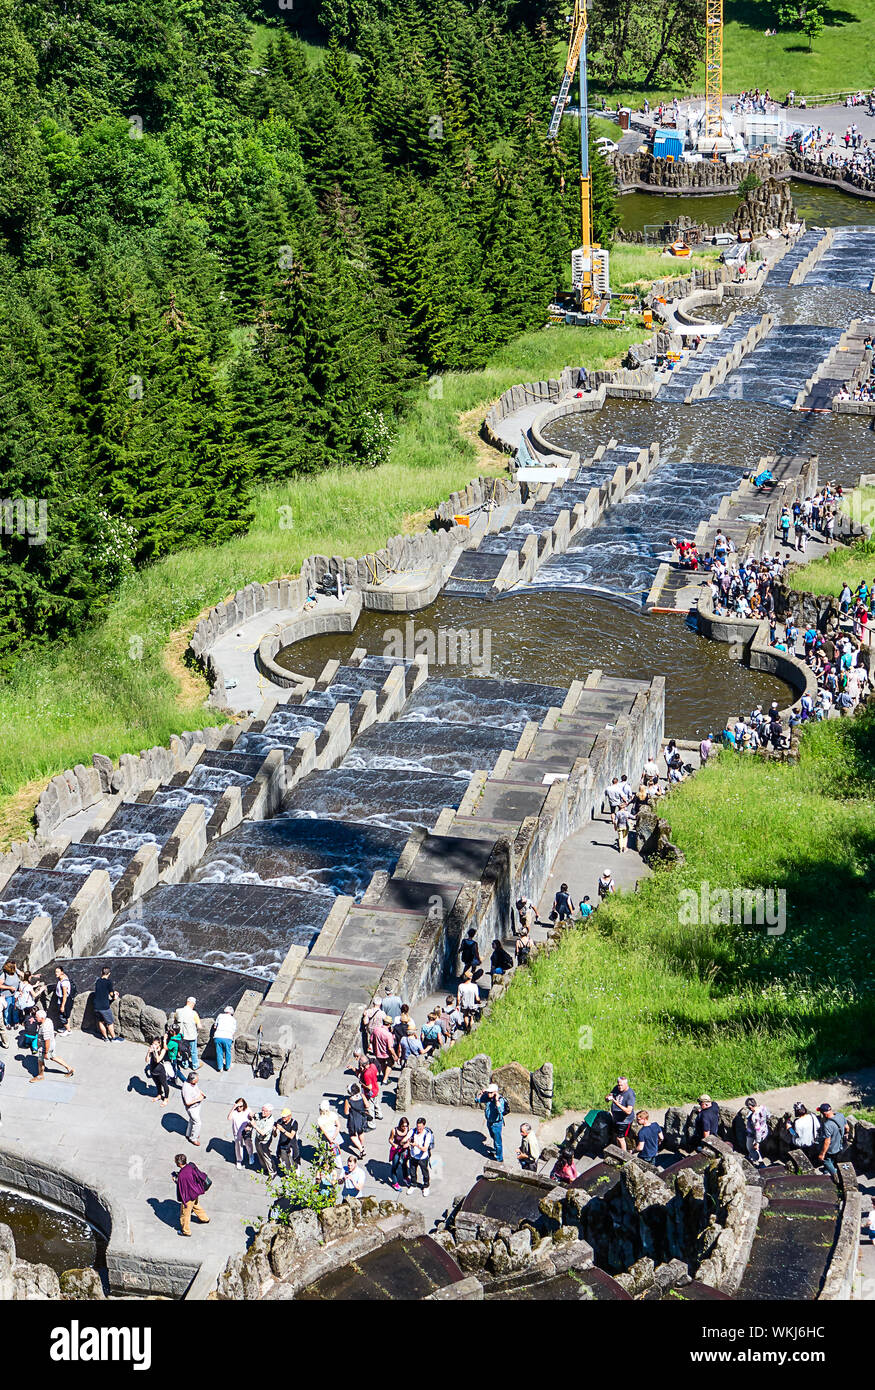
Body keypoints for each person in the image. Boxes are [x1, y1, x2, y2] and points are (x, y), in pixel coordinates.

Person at [30, 1009, 74, 1083]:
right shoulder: (48, 1020)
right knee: (53, 1057)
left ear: (42, 1018)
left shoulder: (45, 1028)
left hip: (45, 1047)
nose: (35, 1018)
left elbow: (47, 1041)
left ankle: (40, 1076)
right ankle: (69, 1069)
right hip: (52, 1043)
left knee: (40, 1060)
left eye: (37, 1017)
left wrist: (46, 1053)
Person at [174, 1153, 210, 1237]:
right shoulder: (190, 1166)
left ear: (179, 1163)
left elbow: (182, 1188)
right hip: (195, 1192)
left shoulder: (182, 1175)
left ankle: (186, 1231)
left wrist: (176, 1180)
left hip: (188, 1197)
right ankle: (205, 1219)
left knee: (185, 1214)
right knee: (196, 1205)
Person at [816, 1103, 847, 1180]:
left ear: (824, 1113)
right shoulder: (840, 1115)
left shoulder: (827, 1125)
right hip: (839, 1144)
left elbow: (827, 1141)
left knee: (826, 1160)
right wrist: (845, 1134)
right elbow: (847, 1127)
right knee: (832, 1158)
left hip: (831, 1148)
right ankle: (826, 1170)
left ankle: (836, 1176)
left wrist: (822, 1154)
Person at [479, 1082, 508, 1162]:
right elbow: (477, 1100)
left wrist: (497, 1101)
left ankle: (499, 1158)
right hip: (489, 1121)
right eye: (488, 1092)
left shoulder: (500, 1100)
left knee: (498, 1141)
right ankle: (496, 1151)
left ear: (495, 1092)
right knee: (493, 1138)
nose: (489, 1094)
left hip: (496, 1124)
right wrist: (481, 1093)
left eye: (491, 1092)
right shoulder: (488, 1097)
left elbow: (500, 1111)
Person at [606, 1075, 636, 1151]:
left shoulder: (630, 1094)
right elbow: (610, 1095)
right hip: (616, 1118)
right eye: (618, 1084)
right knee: (616, 1136)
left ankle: (623, 1154)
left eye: (621, 1085)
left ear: (626, 1084)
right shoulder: (616, 1088)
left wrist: (616, 1103)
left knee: (620, 1138)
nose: (619, 1087)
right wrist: (607, 1098)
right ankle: (619, 1150)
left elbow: (628, 1111)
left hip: (624, 1120)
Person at [92, 966, 121, 1041]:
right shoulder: (108, 982)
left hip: (96, 1006)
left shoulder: (98, 981)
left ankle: (105, 1037)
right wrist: (115, 996)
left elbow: (102, 990)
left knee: (101, 1022)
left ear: (101, 973)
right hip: (104, 1006)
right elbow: (111, 994)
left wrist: (112, 992)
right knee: (110, 1022)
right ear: (109, 974)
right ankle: (114, 1038)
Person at [409, 1116, 434, 1194]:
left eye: (420, 1127)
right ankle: (413, 1184)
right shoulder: (413, 1131)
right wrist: (406, 1141)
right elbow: (406, 1138)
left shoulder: (427, 1134)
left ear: (424, 1126)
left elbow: (425, 1149)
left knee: (424, 1172)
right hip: (413, 1156)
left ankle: (426, 1186)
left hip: (422, 1157)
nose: (418, 1128)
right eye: (417, 1126)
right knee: (412, 1172)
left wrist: (416, 1145)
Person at [344, 1083, 369, 1159]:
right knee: (360, 1132)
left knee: (352, 1135)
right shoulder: (362, 1096)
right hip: (361, 1118)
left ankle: (361, 1150)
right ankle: (361, 1144)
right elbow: (367, 1105)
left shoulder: (348, 1100)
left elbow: (346, 1112)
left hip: (353, 1120)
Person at [250, 1103, 277, 1175]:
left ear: (269, 1112)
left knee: (266, 1156)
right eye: (262, 1110)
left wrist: (254, 1126)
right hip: (258, 1139)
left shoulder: (270, 1121)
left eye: (265, 1111)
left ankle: (272, 1172)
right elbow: (255, 1115)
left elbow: (263, 1133)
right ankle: (265, 1168)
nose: (262, 1112)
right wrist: (251, 1115)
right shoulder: (260, 1115)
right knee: (259, 1154)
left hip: (264, 1141)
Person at [228, 1098, 255, 1169]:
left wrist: (251, 1119)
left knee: (248, 1144)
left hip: (246, 1131)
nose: (239, 1108)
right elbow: (229, 1118)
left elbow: (252, 1117)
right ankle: (239, 1160)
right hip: (237, 1132)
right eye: (238, 1106)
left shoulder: (248, 1109)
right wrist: (234, 1107)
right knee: (238, 1146)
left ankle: (251, 1155)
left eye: (241, 1106)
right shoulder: (234, 1112)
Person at [181, 1071, 206, 1147]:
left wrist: (201, 1093)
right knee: (198, 1123)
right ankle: (193, 1138)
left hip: (197, 1106)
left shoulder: (192, 1083)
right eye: (196, 1081)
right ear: (191, 1080)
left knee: (192, 1121)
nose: (197, 1082)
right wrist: (199, 1099)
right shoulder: (186, 1089)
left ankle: (189, 1133)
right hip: (192, 1108)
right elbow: (187, 1103)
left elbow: (196, 1088)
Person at [743, 1097, 770, 1166]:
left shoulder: (754, 1117)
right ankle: (751, 1158)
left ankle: (760, 1163)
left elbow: (757, 1130)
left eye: (748, 1107)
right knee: (753, 1149)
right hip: (765, 1131)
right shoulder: (763, 1107)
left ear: (750, 1107)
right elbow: (768, 1116)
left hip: (754, 1134)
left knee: (750, 1148)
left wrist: (757, 1142)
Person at [176, 997, 200, 1071]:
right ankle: (195, 1065)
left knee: (183, 1050)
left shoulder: (178, 1011)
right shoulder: (194, 1013)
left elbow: (175, 1021)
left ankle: (185, 1065)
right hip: (191, 1036)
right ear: (192, 1004)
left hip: (181, 1035)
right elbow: (199, 1026)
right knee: (193, 1051)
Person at [389, 1116, 413, 1190]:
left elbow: (410, 1138)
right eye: (403, 1126)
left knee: (404, 1164)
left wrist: (408, 1143)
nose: (405, 1128)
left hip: (404, 1150)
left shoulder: (408, 1130)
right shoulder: (394, 1130)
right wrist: (394, 1144)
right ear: (400, 1125)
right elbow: (390, 1140)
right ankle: (394, 1182)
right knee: (395, 1166)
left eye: (406, 1126)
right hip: (396, 1150)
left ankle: (405, 1177)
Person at [145, 1036, 170, 1104]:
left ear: (159, 1044)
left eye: (156, 1044)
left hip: (160, 1071)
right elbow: (146, 1060)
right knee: (157, 1084)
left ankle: (166, 1098)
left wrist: (155, 1051)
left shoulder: (163, 1050)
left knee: (164, 1084)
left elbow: (158, 1060)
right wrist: (148, 1052)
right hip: (153, 1070)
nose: (154, 1045)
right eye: (153, 1044)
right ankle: (159, 1095)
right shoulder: (152, 1049)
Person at [212, 1006, 236, 1072]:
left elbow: (215, 1026)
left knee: (219, 1052)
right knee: (228, 1052)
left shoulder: (220, 1016)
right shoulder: (233, 1020)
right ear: (232, 1012)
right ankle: (227, 1067)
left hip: (218, 1036)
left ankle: (220, 1068)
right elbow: (233, 1031)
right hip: (228, 1037)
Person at [54, 966, 73, 1035]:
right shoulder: (63, 977)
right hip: (64, 1000)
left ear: (62, 972)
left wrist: (62, 1006)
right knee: (66, 1015)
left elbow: (65, 995)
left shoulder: (64, 983)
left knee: (62, 1016)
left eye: (58, 972)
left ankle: (68, 1030)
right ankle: (66, 1028)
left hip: (64, 1000)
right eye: (55, 972)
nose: (56, 973)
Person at [0, 962, 20, 1029]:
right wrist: (10, 988)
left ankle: (15, 1022)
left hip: (15, 994)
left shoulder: (15, 972)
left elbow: (23, 975)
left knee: (15, 1008)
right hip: (6, 995)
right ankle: (8, 1023)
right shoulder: (4, 975)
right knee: (7, 1009)